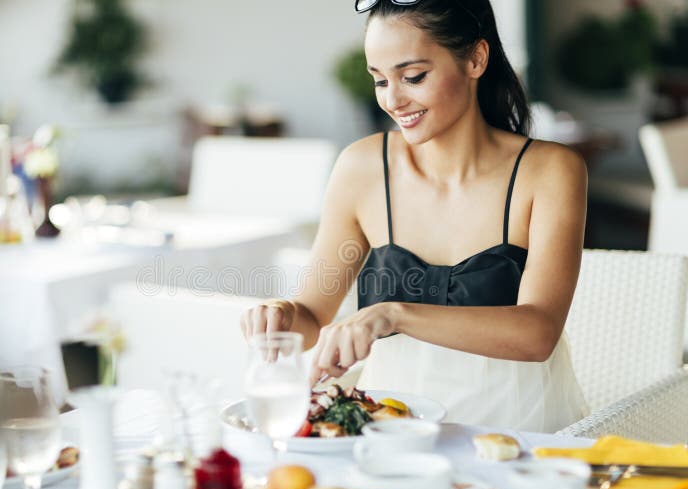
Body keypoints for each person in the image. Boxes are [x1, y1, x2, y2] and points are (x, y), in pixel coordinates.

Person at [240, 0, 588, 432]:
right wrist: (280, 314)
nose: (393, 99)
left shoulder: (549, 171)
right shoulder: (361, 168)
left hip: (520, 430)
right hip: (390, 427)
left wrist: (394, 313)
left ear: (476, 58)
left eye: (413, 77)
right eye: (380, 81)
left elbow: (538, 334)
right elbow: (311, 315)